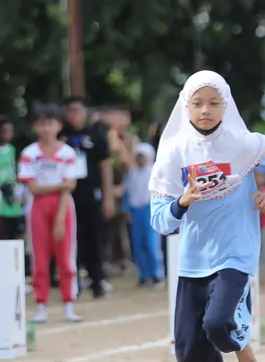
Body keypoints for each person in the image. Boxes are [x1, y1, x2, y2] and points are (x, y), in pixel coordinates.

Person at [149, 71, 265, 362]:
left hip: (236, 250)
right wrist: (182, 202)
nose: (206, 110)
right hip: (193, 259)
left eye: (214, 103)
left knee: (217, 323)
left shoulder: (243, 143)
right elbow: (160, 220)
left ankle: (241, 345)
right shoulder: (173, 152)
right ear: (186, 107)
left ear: (225, 105)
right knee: (187, 349)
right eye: (198, 103)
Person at [19, 105, 82, 323]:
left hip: (63, 207)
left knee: (66, 257)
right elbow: (34, 189)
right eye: (42, 124)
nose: (46, 128)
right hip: (38, 206)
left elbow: (71, 185)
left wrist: (59, 218)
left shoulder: (67, 153)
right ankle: (41, 304)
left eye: (50, 123)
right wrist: (60, 186)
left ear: (58, 126)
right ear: (36, 127)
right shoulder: (30, 154)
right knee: (40, 257)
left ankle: (69, 303)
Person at [59, 97, 113, 300]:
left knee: (93, 239)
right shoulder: (60, 135)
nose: (74, 114)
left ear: (85, 113)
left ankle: (97, 280)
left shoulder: (95, 135)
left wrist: (108, 198)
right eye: (70, 110)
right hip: (66, 196)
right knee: (70, 241)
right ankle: (73, 282)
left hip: (91, 195)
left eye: (78, 110)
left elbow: (105, 167)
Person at [124, 142, 161, 286]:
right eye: (138, 157)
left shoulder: (154, 172)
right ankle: (143, 274)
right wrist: (127, 210)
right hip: (135, 211)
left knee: (151, 244)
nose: (140, 160)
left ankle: (156, 273)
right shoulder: (132, 174)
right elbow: (127, 193)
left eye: (143, 156)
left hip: (149, 209)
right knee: (137, 244)